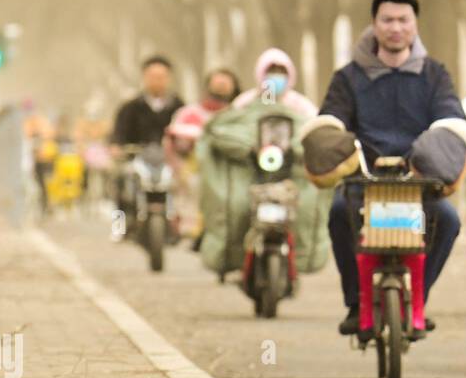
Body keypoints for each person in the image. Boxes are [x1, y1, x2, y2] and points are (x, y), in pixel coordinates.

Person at [315, 0, 466, 336]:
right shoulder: (348, 78)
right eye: (387, 20)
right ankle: (356, 302)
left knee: (448, 220)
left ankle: (419, 298)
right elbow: (332, 121)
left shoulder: (435, 75)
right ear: (374, 25)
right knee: (339, 213)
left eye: (403, 20)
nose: (395, 27)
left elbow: (450, 118)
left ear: (415, 26)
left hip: (419, 180)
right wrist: (333, 144)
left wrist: (436, 151)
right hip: (364, 179)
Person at [165, 67, 240, 242]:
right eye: (217, 82)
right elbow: (172, 142)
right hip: (194, 169)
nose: (221, 87)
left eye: (226, 83)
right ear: (207, 86)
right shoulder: (188, 114)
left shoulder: (239, 114)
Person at [111, 56, 184, 147]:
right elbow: (118, 136)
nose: (157, 81)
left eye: (161, 77)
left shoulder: (180, 108)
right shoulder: (130, 108)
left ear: (169, 78)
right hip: (136, 158)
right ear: (144, 77)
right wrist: (116, 146)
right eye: (153, 76)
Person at [232, 48, 317, 118]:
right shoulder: (246, 102)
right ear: (261, 73)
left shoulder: (300, 104)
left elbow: (314, 121)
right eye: (272, 71)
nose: (276, 75)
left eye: (281, 72)